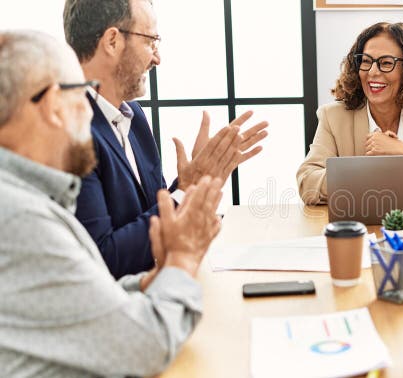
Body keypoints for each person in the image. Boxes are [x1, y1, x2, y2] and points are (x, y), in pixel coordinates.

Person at [0, 30, 222, 377]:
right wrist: (182, 259)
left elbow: (79, 300)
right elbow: (145, 346)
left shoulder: (26, 196)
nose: (90, 114)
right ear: (52, 106)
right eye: (81, 93)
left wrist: (152, 281)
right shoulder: (18, 218)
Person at [63, 0, 268, 278]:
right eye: (151, 42)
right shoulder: (68, 132)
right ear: (112, 41)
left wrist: (190, 187)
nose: (157, 59)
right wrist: (187, 189)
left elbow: (157, 210)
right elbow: (104, 258)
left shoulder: (133, 115)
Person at [297, 22, 403, 205]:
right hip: (358, 228)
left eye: (386, 63)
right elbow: (308, 183)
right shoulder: (333, 117)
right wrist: (370, 173)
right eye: (366, 61)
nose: (372, 72)